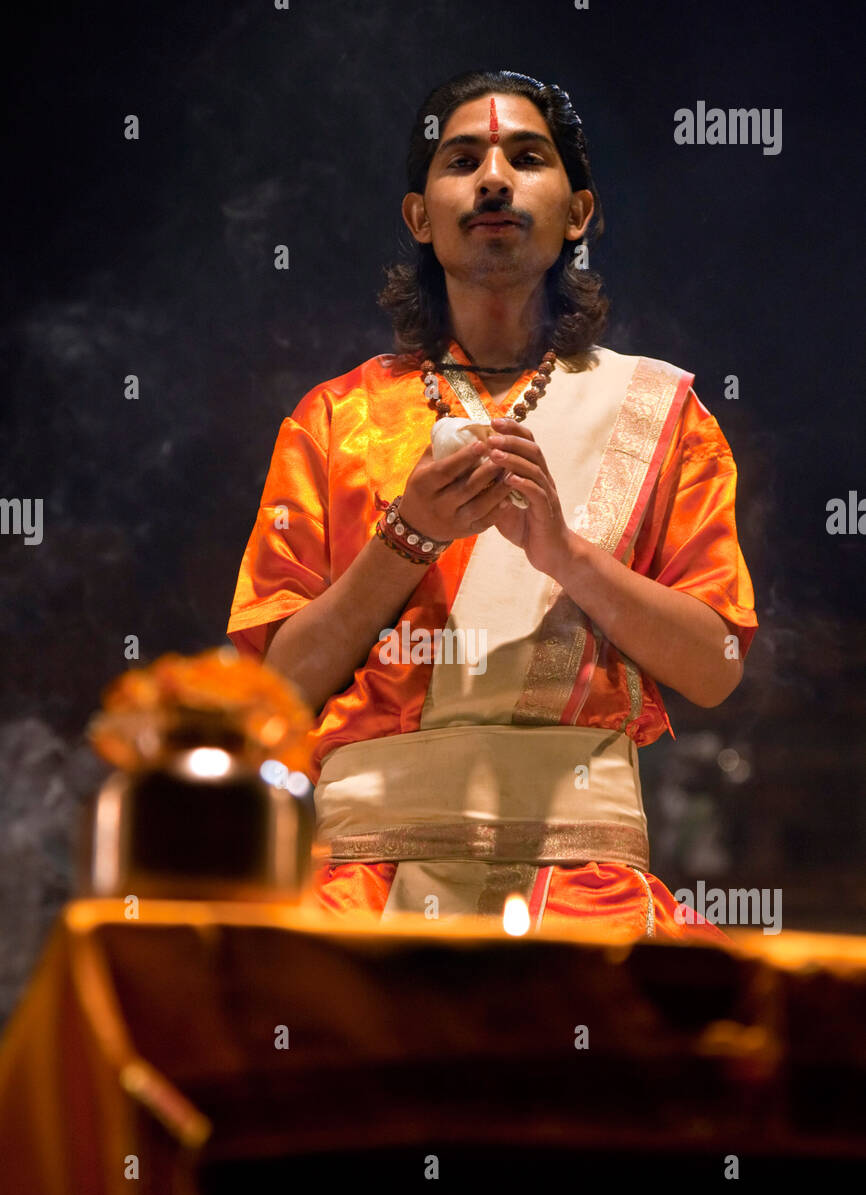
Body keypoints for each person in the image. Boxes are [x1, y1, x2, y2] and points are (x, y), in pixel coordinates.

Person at [227, 69, 757, 944]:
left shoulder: (661, 416)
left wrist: (566, 555)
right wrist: (408, 538)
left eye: (528, 156)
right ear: (420, 218)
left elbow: (715, 666)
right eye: (463, 158)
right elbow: (271, 692)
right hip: (359, 889)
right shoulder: (335, 421)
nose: (496, 180)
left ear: (578, 212)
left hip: (589, 893)